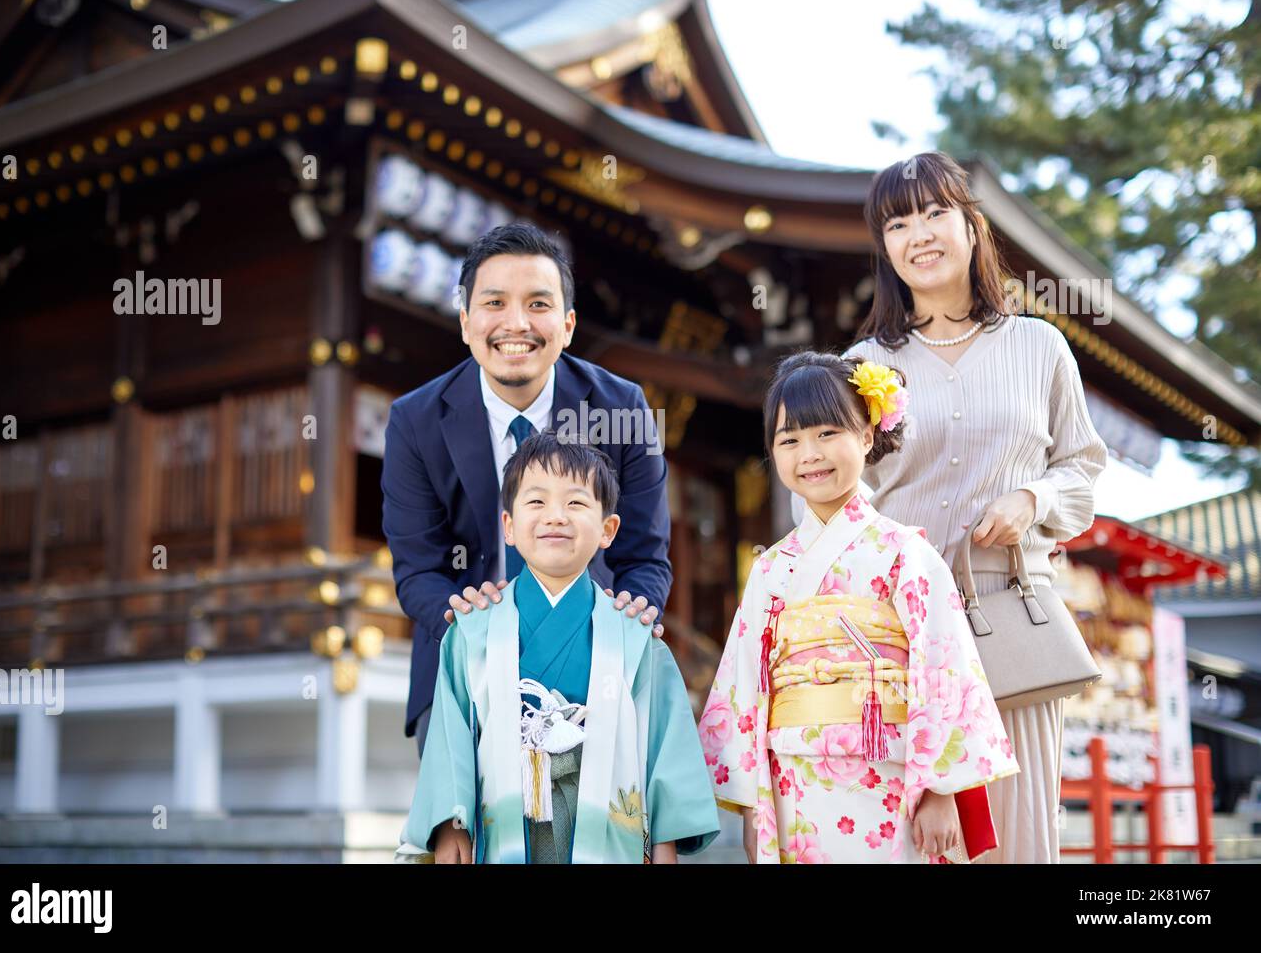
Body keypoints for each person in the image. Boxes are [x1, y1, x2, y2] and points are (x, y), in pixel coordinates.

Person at [840, 151, 1108, 862]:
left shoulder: (1040, 345)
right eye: (898, 223)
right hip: (898, 625)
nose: (919, 234)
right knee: (911, 838)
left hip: (1012, 612)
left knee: (1018, 836)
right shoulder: (860, 367)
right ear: (885, 247)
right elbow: (833, 496)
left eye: (936, 213)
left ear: (972, 226)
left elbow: (1084, 472)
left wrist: (1032, 497)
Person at [701, 351, 1020, 863]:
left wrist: (939, 789)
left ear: (867, 436)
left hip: (888, 773)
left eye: (827, 433)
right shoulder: (771, 569)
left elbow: (944, 665)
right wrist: (751, 806)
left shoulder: (905, 553)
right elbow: (743, 682)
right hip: (790, 777)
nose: (810, 454)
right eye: (789, 440)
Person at [381, 222, 671, 756]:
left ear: (568, 324)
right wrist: (469, 623)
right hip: (462, 667)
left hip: (595, 665)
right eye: (494, 303)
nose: (516, 324)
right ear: (466, 321)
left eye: (538, 304)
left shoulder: (623, 408)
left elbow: (645, 557)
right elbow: (418, 569)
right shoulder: (415, 420)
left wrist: (623, 624)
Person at [402, 432, 719, 863]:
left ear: (607, 530)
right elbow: (449, 735)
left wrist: (664, 843)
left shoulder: (634, 635)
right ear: (508, 526)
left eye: (575, 503)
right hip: (503, 826)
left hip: (608, 830)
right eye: (536, 501)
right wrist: (449, 824)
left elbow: (664, 744)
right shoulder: (473, 631)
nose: (555, 517)